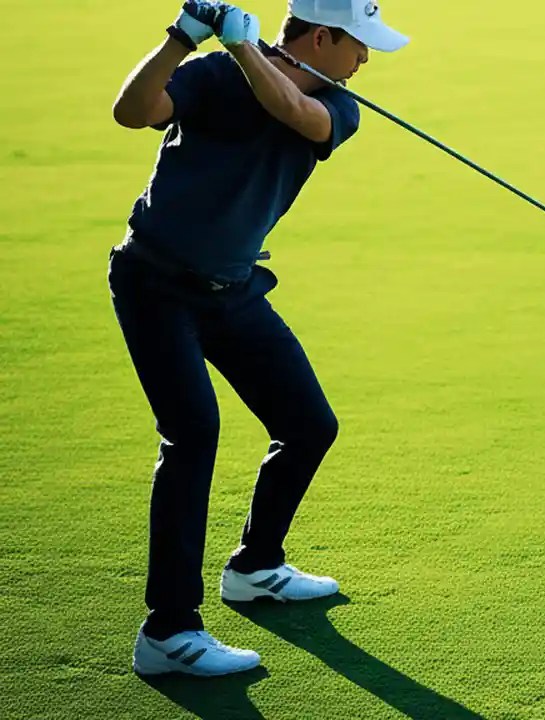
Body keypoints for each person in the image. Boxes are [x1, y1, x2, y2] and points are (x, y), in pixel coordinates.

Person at [109, 0, 408, 677]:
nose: (366, 60)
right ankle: (168, 632)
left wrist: (246, 49)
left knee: (308, 424)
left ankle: (256, 566)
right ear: (323, 37)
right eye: (359, 45)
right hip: (154, 283)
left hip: (232, 290)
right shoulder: (213, 78)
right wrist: (180, 41)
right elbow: (132, 112)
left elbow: (298, 117)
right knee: (192, 434)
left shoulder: (338, 107)